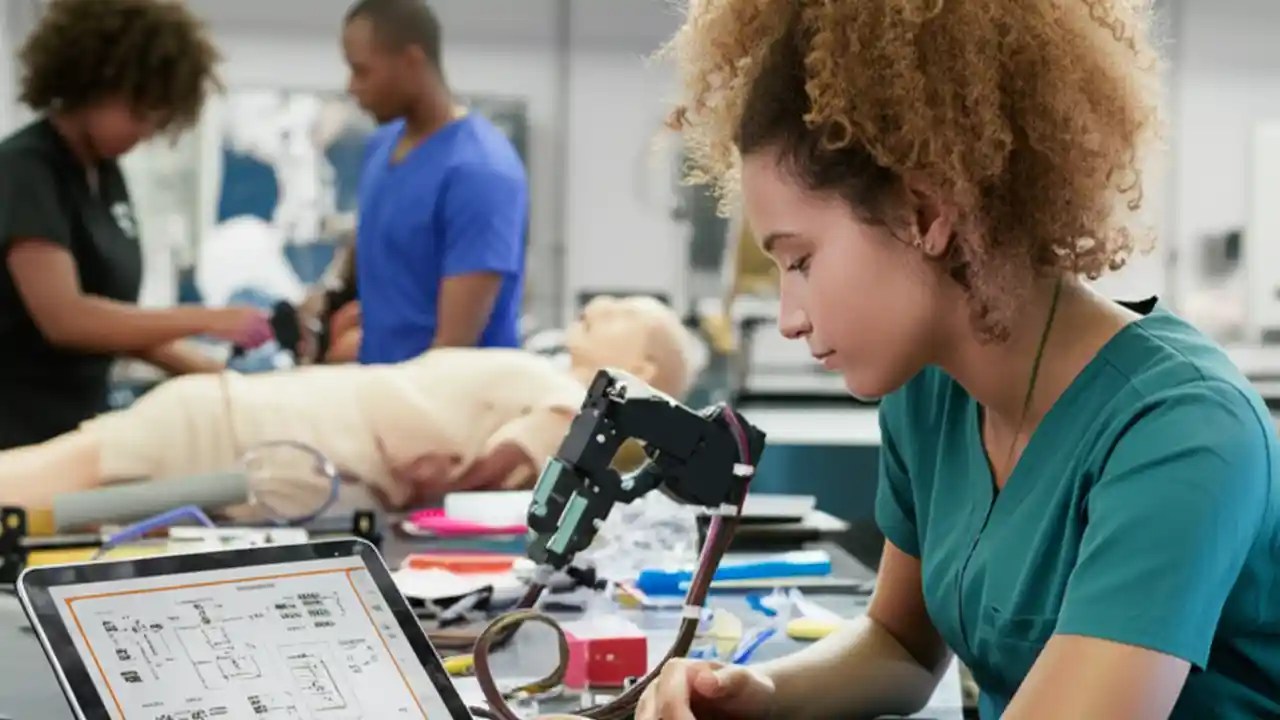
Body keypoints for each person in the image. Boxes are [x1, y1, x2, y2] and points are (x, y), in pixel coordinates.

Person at [640, 2, 1280, 719]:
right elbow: (902, 645)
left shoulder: (1183, 432)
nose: (789, 318)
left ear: (924, 214)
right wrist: (761, 697)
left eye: (801, 260)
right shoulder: (929, 395)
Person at [0, 296, 698, 520]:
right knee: (53, 481)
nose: (599, 304)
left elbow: (514, 461)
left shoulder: (576, 397)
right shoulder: (545, 376)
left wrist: (443, 488)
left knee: (51, 479)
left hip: (261, 433)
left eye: (622, 315)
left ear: (638, 373)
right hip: (260, 420)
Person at [0, 0, 274, 450]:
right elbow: (67, 319)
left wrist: (227, 383)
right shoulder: (26, 171)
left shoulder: (105, 174)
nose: (145, 133)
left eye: (159, 121)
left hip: (76, 427)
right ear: (97, 81)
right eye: (141, 113)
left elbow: (119, 327)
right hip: (16, 431)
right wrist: (205, 319)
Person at [341, 0, 529, 364]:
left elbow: (452, 352)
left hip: (455, 407)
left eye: (362, 71)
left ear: (412, 60)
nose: (352, 87)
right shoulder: (383, 146)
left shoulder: (479, 170)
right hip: (383, 391)